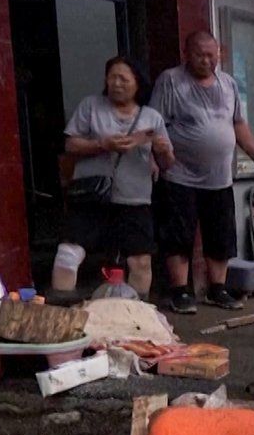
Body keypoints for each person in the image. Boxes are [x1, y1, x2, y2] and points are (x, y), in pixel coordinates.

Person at [151, 31, 254, 313]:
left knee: (220, 235)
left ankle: (217, 289)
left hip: (220, 176)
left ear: (219, 54)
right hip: (179, 175)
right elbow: (154, 123)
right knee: (179, 235)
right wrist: (159, 155)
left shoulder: (229, 85)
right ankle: (180, 290)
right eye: (200, 54)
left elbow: (238, 124)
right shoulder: (171, 81)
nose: (206, 60)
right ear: (187, 53)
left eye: (212, 55)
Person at [52, 57, 173, 298]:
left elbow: (168, 164)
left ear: (137, 83)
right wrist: (102, 144)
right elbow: (70, 145)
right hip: (92, 195)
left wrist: (162, 150)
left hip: (135, 198)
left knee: (140, 261)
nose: (116, 83)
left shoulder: (152, 117)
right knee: (68, 254)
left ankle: (138, 316)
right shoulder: (91, 106)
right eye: (112, 77)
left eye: (123, 79)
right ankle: (63, 310)